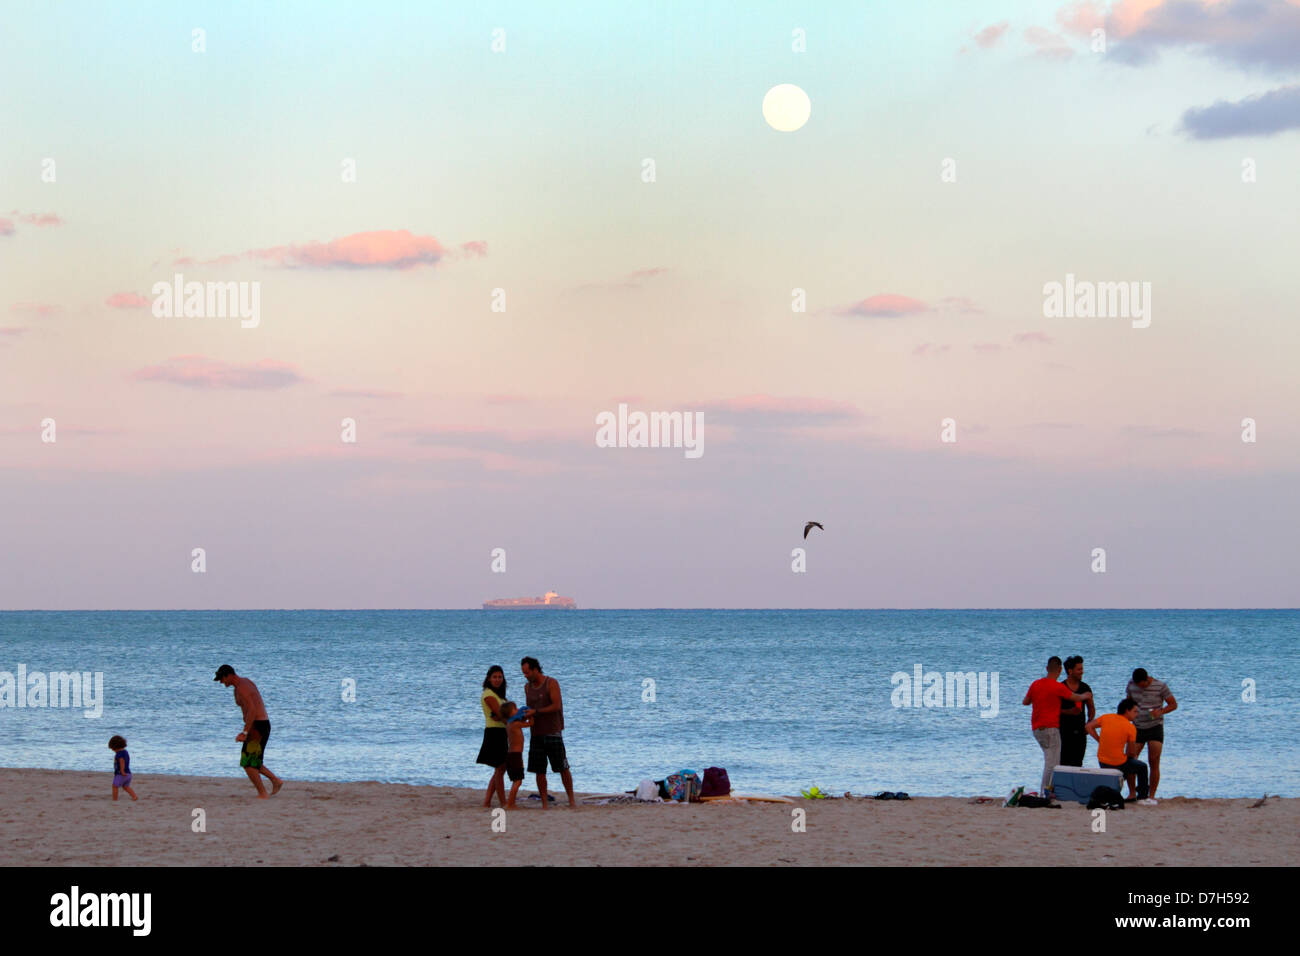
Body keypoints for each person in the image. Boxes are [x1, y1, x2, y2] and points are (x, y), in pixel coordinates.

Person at [1022, 656, 1093, 797]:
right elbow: (1076, 698)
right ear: (1061, 670)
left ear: (1047, 668)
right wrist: (1086, 695)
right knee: (1052, 763)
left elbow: (1026, 702)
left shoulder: (1036, 684)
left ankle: (1049, 790)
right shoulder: (1058, 687)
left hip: (1037, 729)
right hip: (1052, 729)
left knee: (1051, 759)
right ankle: (1045, 792)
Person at [214, 664, 283, 798]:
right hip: (259, 725)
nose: (221, 682)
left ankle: (263, 793)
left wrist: (245, 732)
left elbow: (252, 710)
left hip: (257, 726)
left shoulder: (242, 688)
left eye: (222, 679)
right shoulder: (244, 683)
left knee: (248, 763)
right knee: (253, 760)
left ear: (229, 675)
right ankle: (276, 781)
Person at [520, 656, 576, 809]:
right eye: (523, 673)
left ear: (535, 670)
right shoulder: (527, 687)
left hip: (553, 731)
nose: (525, 675)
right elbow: (529, 708)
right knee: (539, 770)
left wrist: (536, 711)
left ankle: (571, 799)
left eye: (527, 672)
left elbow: (556, 706)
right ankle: (544, 803)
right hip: (536, 733)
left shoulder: (551, 683)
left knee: (563, 767)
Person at [1086, 697, 1156, 805]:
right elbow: (1131, 752)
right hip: (1117, 763)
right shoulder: (1130, 727)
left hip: (1102, 760)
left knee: (1129, 763)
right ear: (1127, 711)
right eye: (1135, 711)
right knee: (1142, 767)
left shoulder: (1106, 717)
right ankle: (1142, 797)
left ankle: (1129, 793)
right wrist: (1132, 757)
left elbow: (1089, 727)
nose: (1136, 714)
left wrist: (1099, 740)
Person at [1126, 667, 1177, 802]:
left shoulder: (1160, 686)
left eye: (1141, 685)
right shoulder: (1131, 685)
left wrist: (1160, 711)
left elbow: (1173, 704)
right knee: (1130, 759)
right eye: (1137, 685)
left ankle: (1151, 795)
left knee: (1154, 761)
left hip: (1155, 727)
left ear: (1147, 679)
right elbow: (1128, 703)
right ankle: (1132, 793)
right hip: (1137, 727)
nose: (1139, 687)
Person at [476, 665, 509, 807]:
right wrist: (514, 719)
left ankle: (487, 801)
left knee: (500, 769)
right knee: (500, 768)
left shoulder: (500, 695)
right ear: (489, 679)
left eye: (500, 677)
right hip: (494, 732)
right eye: (494, 677)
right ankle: (503, 802)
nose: (497, 679)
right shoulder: (488, 694)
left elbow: (503, 714)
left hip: (502, 732)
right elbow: (500, 714)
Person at [1058, 656, 1094, 767]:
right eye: (1079, 669)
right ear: (1070, 671)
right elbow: (1054, 709)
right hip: (1063, 732)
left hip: (1080, 732)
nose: (1082, 672)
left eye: (1082, 669)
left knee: (1078, 764)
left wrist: (1089, 723)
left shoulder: (1085, 688)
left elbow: (1091, 708)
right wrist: (1069, 712)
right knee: (1063, 764)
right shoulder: (1060, 687)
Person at [500, 701, 532, 808]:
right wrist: (531, 714)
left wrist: (522, 716)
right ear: (510, 713)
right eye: (515, 709)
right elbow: (531, 724)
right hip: (516, 755)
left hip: (511, 755)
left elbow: (520, 719)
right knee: (518, 781)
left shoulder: (509, 723)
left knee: (515, 780)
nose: (517, 710)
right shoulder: (516, 724)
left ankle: (512, 802)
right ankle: (510, 803)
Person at [109, 735, 137, 802]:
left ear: (115, 747)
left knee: (115, 786)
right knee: (125, 786)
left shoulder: (119, 754)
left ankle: (114, 799)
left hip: (121, 774)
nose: (113, 750)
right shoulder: (125, 752)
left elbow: (122, 761)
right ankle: (134, 796)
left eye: (112, 749)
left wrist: (122, 771)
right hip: (128, 774)